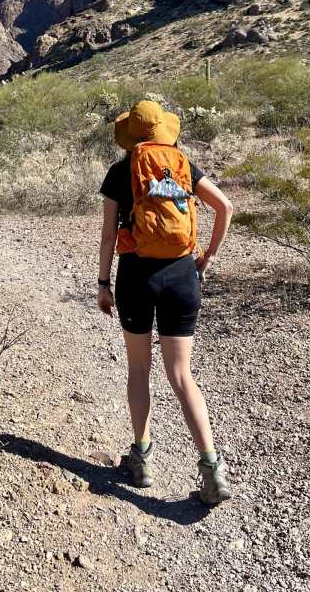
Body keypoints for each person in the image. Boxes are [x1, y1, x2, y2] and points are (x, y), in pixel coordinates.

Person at [97, 99, 234, 505]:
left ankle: (141, 459)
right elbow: (225, 207)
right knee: (181, 374)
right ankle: (212, 468)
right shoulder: (184, 166)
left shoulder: (121, 172)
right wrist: (205, 259)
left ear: (132, 136)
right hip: (181, 276)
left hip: (136, 276)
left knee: (139, 368)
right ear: (162, 131)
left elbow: (107, 237)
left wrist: (103, 283)